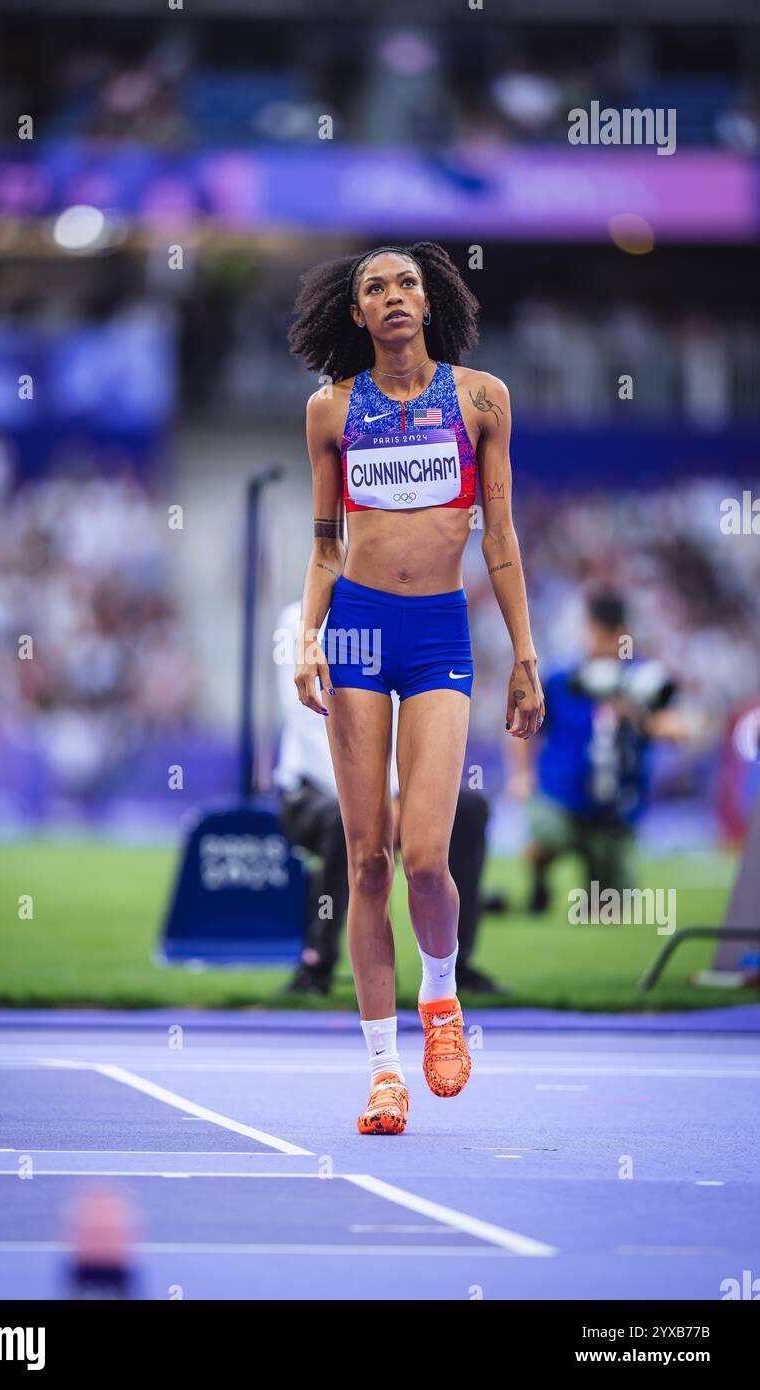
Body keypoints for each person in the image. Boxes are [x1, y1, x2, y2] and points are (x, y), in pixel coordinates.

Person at [288, 241, 543, 1134]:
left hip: (439, 633)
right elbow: (325, 542)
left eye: (406, 283)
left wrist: (524, 653)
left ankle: (443, 1002)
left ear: (429, 303)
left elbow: (501, 537)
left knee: (427, 857)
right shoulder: (330, 410)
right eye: (374, 288)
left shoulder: (481, 399)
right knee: (366, 859)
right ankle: (382, 1072)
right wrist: (308, 638)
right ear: (356, 314)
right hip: (356, 627)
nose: (393, 296)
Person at [274, 599, 498, 997]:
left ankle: (457, 965)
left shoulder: (395, 611)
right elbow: (310, 720)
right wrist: (381, 797)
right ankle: (317, 963)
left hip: (389, 780)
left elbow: (410, 713)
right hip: (313, 786)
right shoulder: (298, 621)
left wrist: (399, 793)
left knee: (469, 810)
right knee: (341, 822)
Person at [511, 590, 685, 911]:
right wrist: (523, 774)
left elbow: (678, 729)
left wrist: (636, 715)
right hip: (562, 797)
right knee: (548, 833)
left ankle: (597, 874)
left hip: (615, 810)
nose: (604, 642)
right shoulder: (564, 677)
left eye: (611, 633)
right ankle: (539, 876)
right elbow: (522, 726)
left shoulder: (643, 677)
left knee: (611, 908)